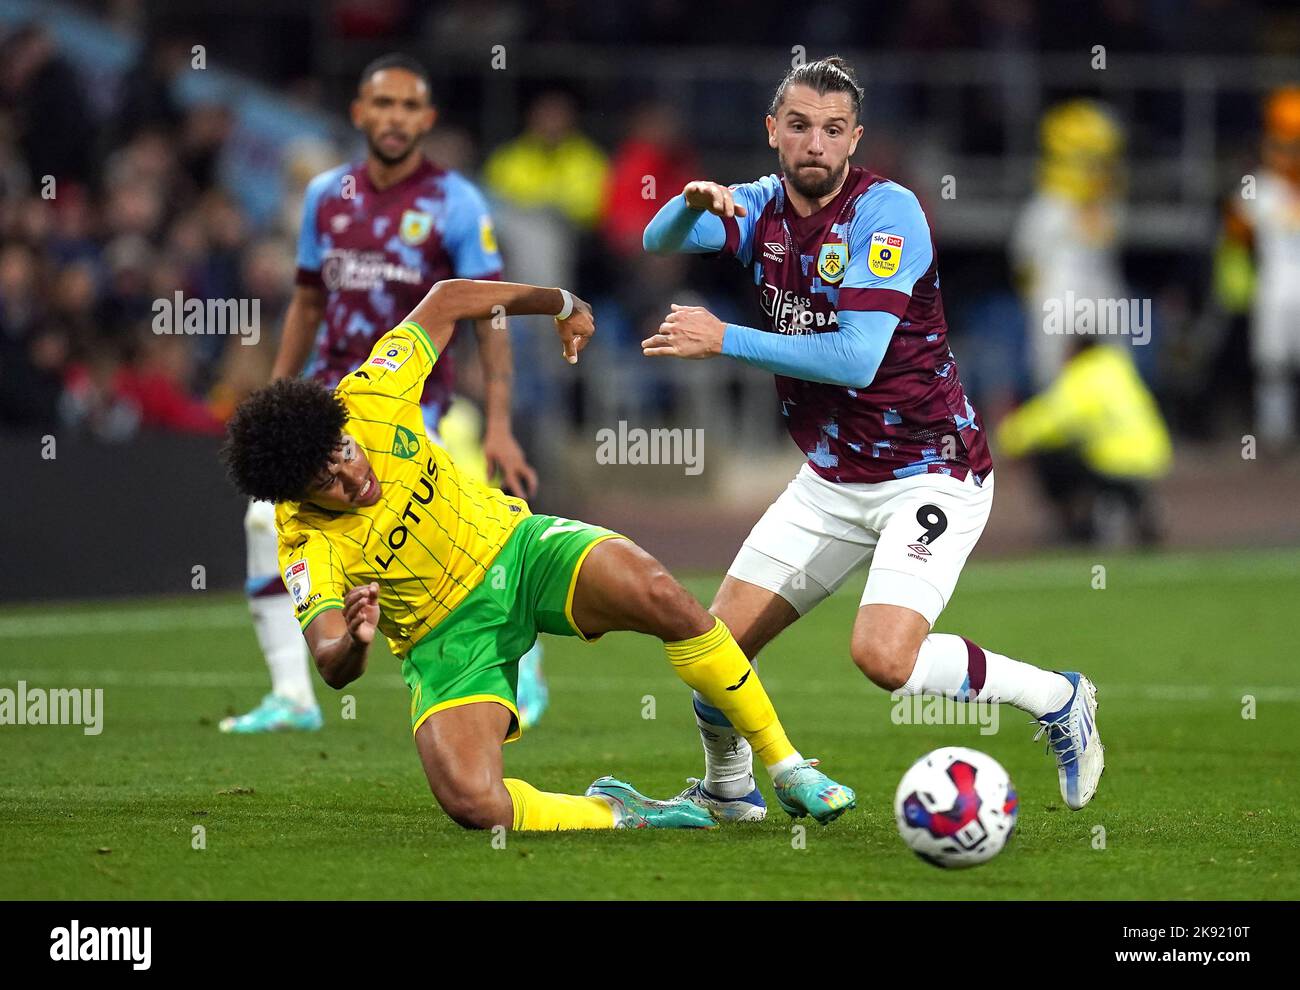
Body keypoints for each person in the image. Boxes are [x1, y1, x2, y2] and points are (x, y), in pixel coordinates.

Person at [641, 56, 1104, 819]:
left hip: (931, 470)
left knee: (883, 659)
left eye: (831, 129)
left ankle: (1058, 697)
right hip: (831, 477)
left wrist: (725, 338)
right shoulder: (758, 203)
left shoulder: (887, 214)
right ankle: (728, 792)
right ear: (773, 133)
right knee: (710, 651)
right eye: (798, 126)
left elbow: (856, 360)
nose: (814, 143)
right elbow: (661, 242)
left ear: (854, 138)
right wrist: (693, 206)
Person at [220, 276, 856, 831]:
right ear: (297, 496)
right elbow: (330, 659)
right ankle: (626, 812)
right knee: (474, 804)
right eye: (327, 483)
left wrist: (558, 301)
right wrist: (357, 641)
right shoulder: (302, 537)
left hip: (519, 552)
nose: (352, 476)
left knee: (665, 595)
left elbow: (446, 301)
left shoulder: (369, 398)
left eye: (345, 454)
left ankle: (785, 767)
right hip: (447, 638)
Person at [223, 54, 548, 734]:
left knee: (477, 528)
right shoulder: (324, 198)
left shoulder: (455, 202)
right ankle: (293, 695)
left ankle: (529, 657)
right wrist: (277, 395)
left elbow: (482, 310)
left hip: (414, 401)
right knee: (263, 524)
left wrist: (498, 421)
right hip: (329, 410)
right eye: (383, 104)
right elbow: (307, 302)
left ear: (426, 120)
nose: (394, 118)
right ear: (359, 114)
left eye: (408, 107)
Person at [997, 339, 1172, 546]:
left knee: (1049, 457)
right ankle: (1134, 504)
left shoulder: (1083, 376)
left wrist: (1009, 438)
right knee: (1088, 449)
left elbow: (1052, 418)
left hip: (1112, 461)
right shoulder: (1120, 371)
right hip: (1152, 457)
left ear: (1078, 351)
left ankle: (1078, 522)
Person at [1221, 85, 1300, 448]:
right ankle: (1275, 432)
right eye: (1285, 145)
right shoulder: (1264, 186)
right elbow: (1235, 224)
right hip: (1275, 285)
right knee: (1272, 364)